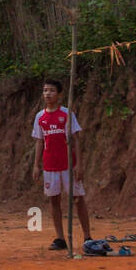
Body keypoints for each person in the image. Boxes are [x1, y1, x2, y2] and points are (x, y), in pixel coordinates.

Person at [32, 77, 92, 249]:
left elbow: (76, 139)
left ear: (59, 94)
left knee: (78, 199)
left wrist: (79, 164)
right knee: (54, 201)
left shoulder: (67, 114)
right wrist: (36, 165)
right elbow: (39, 141)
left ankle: (87, 237)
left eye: (51, 90)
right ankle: (60, 239)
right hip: (50, 165)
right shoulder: (40, 117)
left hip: (68, 165)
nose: (47, 93)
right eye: (45, 90)